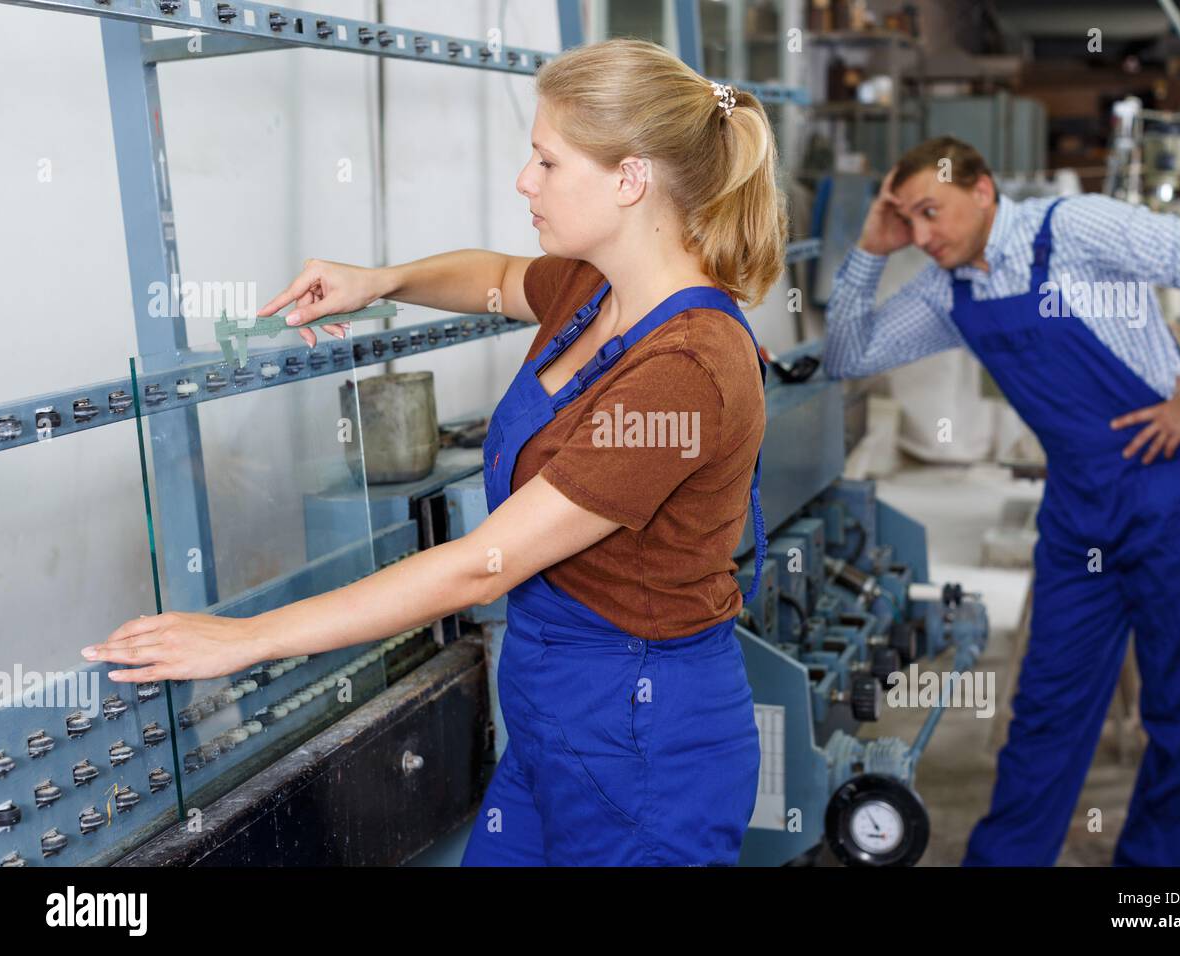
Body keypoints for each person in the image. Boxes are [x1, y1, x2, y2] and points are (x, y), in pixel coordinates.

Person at [84, 38, 789, 867]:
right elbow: (490, 275)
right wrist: (379, 281)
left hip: (644, 741)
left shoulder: (686, 368)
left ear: (631, 179)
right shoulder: (590, 288)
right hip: (550, 715)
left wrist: (247, 638)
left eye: (546, 161)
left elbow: (483, 566)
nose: (525, 180)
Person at [825, 135, 1180, 866]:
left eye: (932, 212)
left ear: (983, 191)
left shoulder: (1073, 228)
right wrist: (870, 248)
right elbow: (847, 355)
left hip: (1175, 490)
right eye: (908, 220)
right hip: (1080, 509)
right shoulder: (947, 287)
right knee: (1047, 706)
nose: (922, 236)